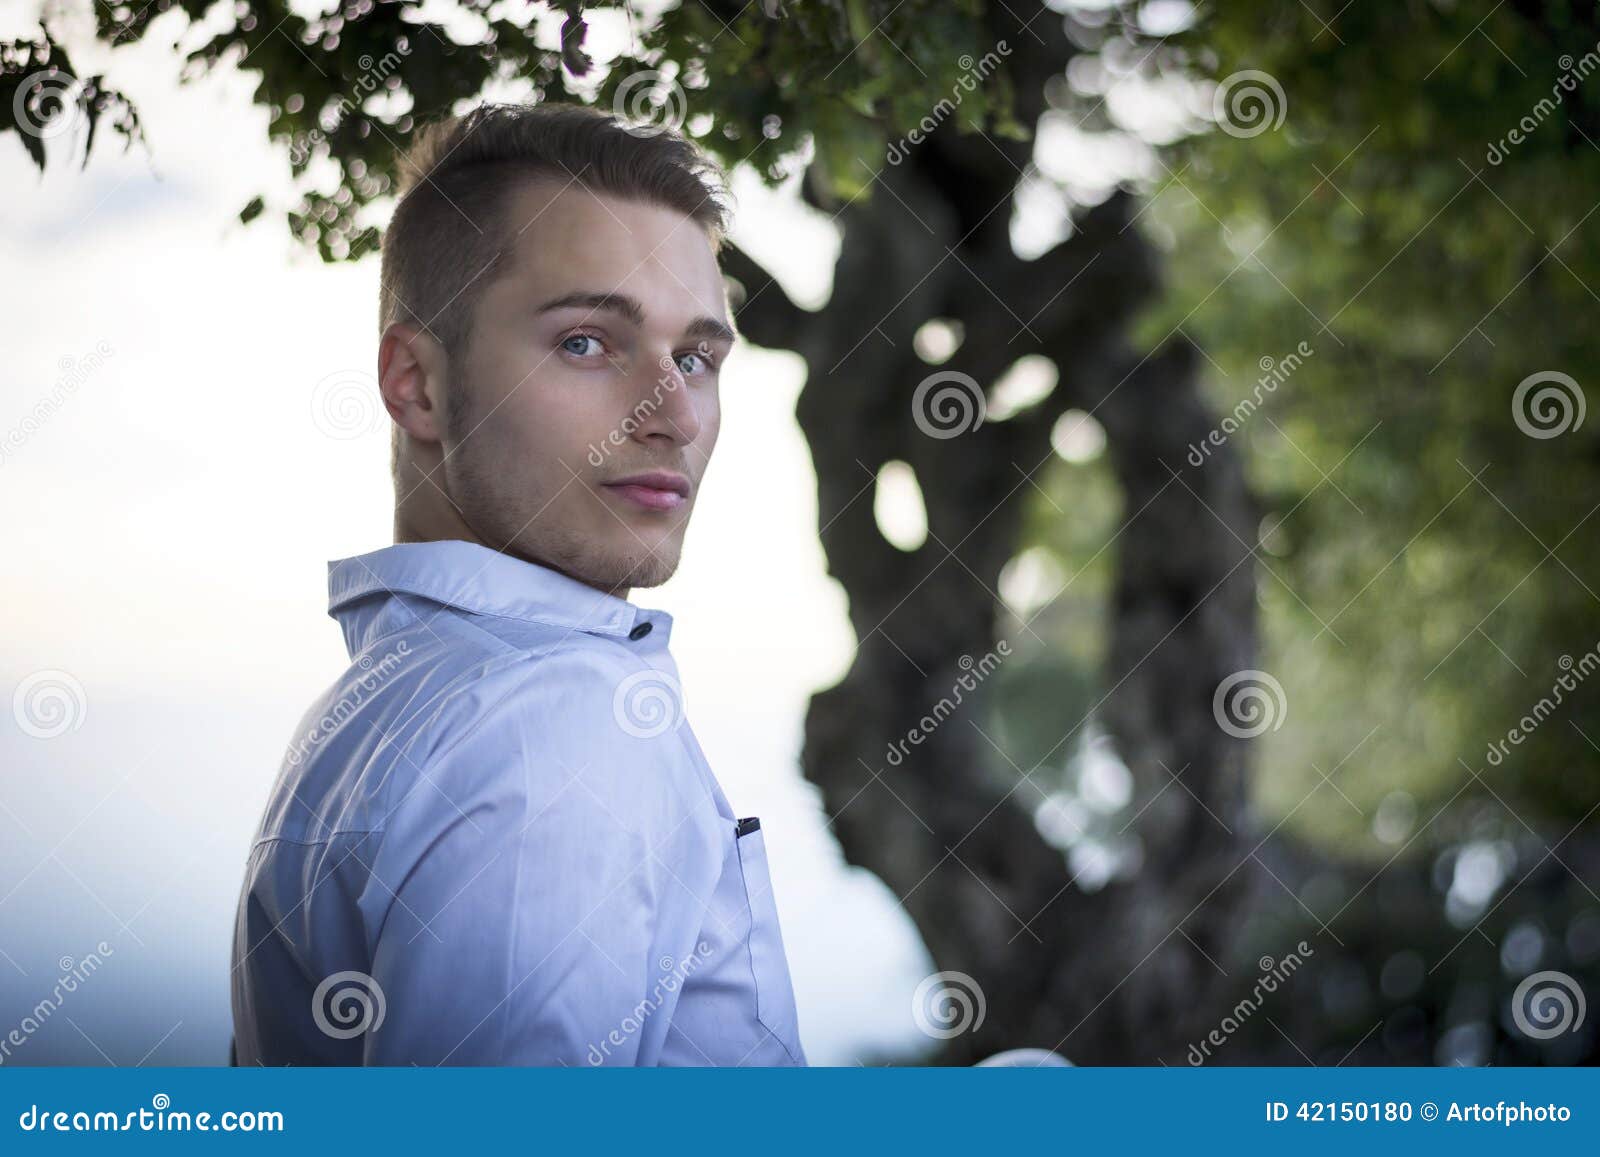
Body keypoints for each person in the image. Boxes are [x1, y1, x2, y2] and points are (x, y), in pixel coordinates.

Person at [229, 101, 805, 1066]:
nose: (674, 416)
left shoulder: (377, 701)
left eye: (697, 357)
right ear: (415, 382)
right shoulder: (557, 719)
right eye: (588, 341)